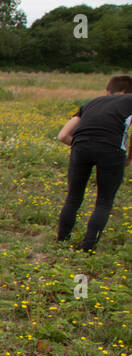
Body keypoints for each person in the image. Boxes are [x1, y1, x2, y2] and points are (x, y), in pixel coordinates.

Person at [56, 74, 132, 252]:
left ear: (107, 91)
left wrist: (83, 145)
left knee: (73, 197)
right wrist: (128, 158)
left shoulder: (92, 103)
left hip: (80, 146)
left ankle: (61, 242)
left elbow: (63, 135)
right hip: (111, 150)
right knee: (104, 202)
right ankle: (87, 248)